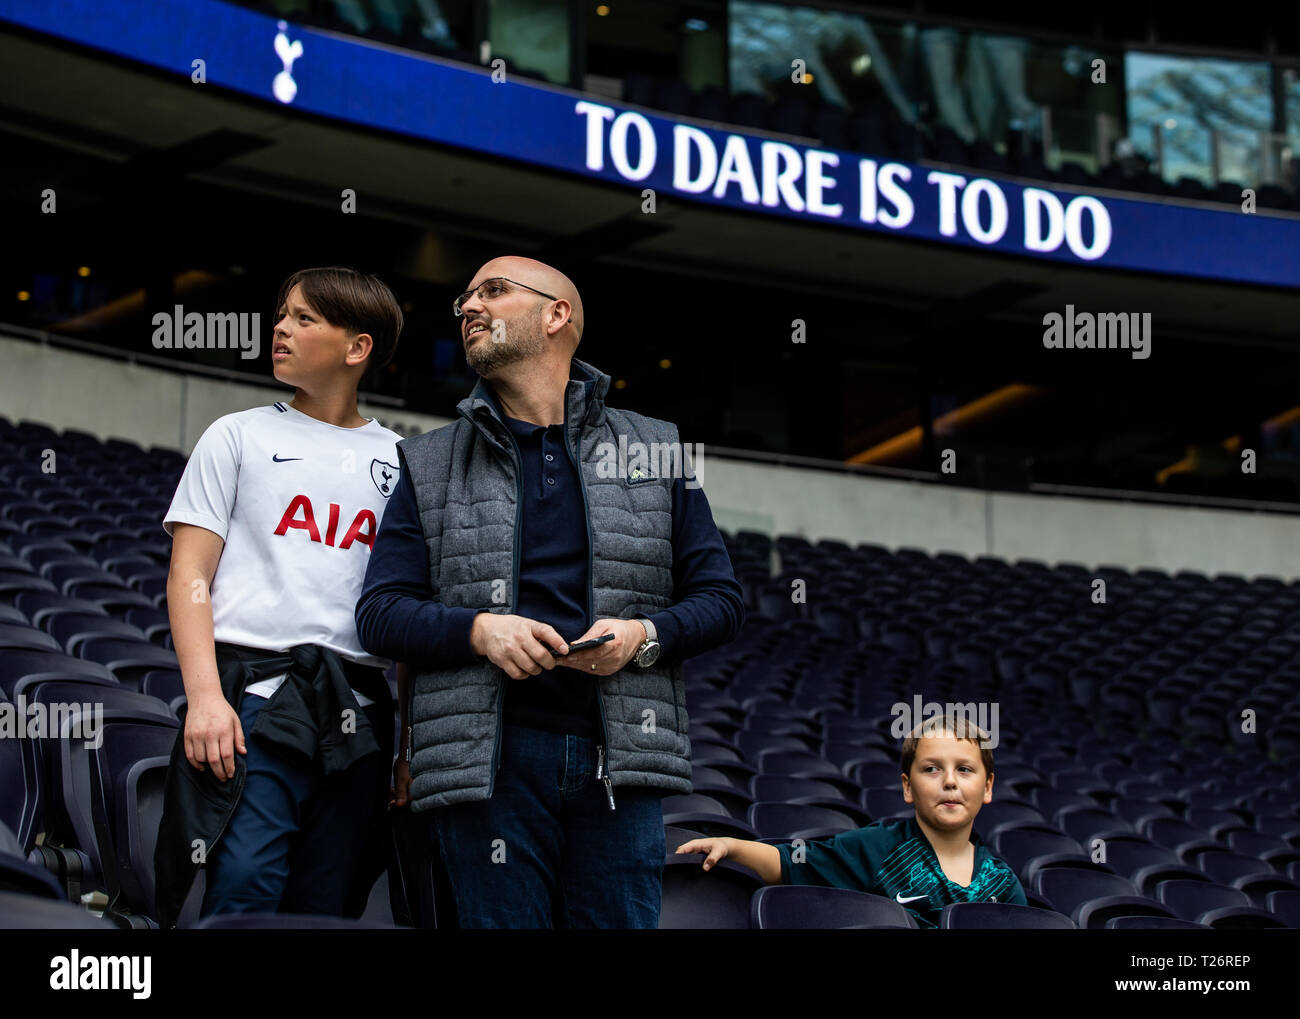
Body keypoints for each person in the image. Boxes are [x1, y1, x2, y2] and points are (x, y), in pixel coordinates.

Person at [355, 255, 745, 928]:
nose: (469, 307)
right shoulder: (428, 460)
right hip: (487, 766)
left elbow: (721, 600)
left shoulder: (655, 447)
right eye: (465, 297)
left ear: (556, 315)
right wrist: (482, 630)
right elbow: (381, 614)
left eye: (494, 291)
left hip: (620, 764)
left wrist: (642, 638)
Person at [153, 266, 405, 928]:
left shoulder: (406, 463)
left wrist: (408, 749)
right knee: (242, 886)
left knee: (328, 904)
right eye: (282, 314)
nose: (281, 328)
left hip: (362, 712)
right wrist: (205, 697)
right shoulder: (237, 435)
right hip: (254, 700)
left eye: (304, 318)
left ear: (358, 347)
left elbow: (411, 610)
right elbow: (189, 575)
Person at [675, 715, 1027, 927]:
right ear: (907, 787)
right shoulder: (877, 847)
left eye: (964, 770)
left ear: (988, 787)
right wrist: (733, 846)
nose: (949, 781)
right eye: (931, 769)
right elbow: (792, 863)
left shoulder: (1002, 883)